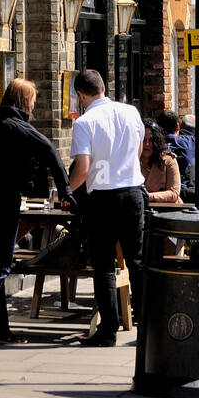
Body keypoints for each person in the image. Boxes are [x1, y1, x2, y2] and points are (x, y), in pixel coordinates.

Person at [0, 78, 72, 344]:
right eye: (33, 101)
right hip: (4, 202)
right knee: (0, 266)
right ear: (24, 101)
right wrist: (66, 192)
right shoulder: (19, 127)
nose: (34, 106)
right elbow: (51, 151)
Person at [69, 69, 145, 348]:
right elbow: (138, 150)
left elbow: (82, 168)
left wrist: (67, 191)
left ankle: (108, 330)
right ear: (103, 87)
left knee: (103, 266)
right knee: (136, 260)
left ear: (80, 95)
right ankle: (148, 322)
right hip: (133, 193)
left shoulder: (84, 123)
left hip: (102, 199)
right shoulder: (131, 112)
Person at [140, 120, 182, 205]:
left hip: (168, 210)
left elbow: (174, 193)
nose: (146, 144)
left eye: (151, 140)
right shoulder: (132, 161)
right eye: (143, 140)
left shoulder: (168, 160)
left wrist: (147, 196)